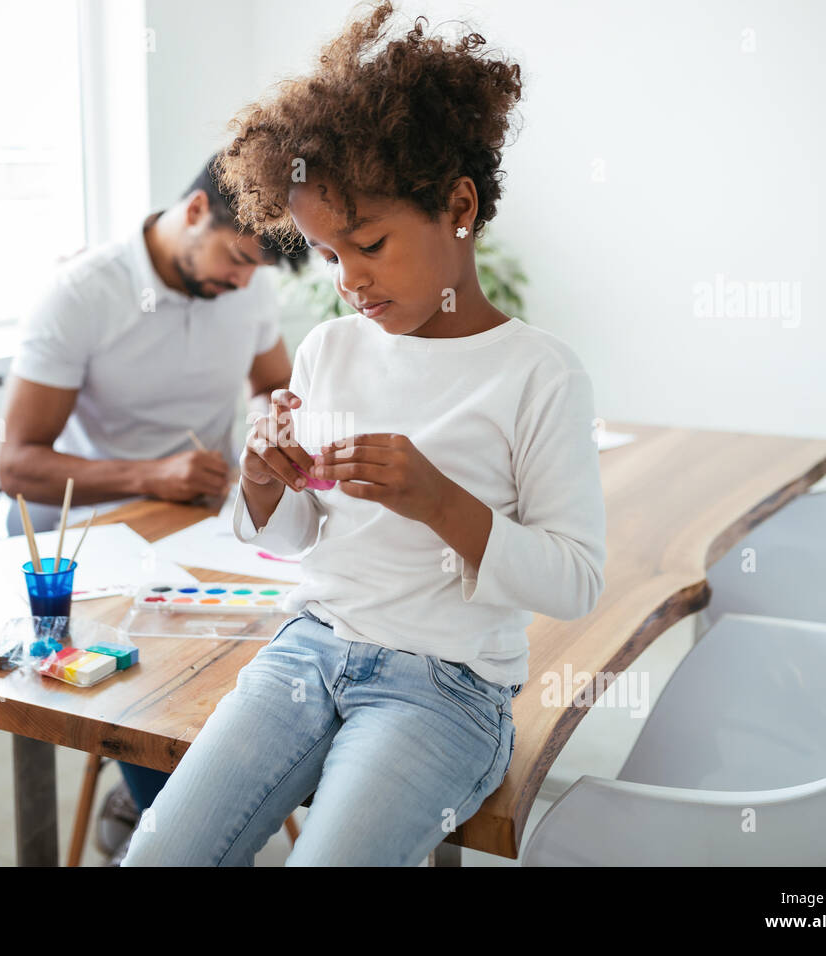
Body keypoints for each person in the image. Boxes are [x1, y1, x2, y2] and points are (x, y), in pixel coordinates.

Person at [122, 1, 607, 866]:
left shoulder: (541, 374)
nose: (350, 280)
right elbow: (306, 531)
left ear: (458, 207)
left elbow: (574, 583)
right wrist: (266, 482)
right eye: (329, 254)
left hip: (447, 689)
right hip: (309, 648)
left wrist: (440, 502)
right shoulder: (330, 349)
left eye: (370, 243)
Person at [0, 154, 308, 863]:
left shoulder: (245, 288)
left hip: (197, 528)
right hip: (81, 547)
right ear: (195, 211)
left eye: (257, 269)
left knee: (281, 646)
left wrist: (271, 421)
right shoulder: (81, 294)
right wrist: (153, 474)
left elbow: (277, 386)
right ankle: (169, 822)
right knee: (165, 681)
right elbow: (16, 463)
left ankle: (166, 813)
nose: (242, 281)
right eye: (237, 259)